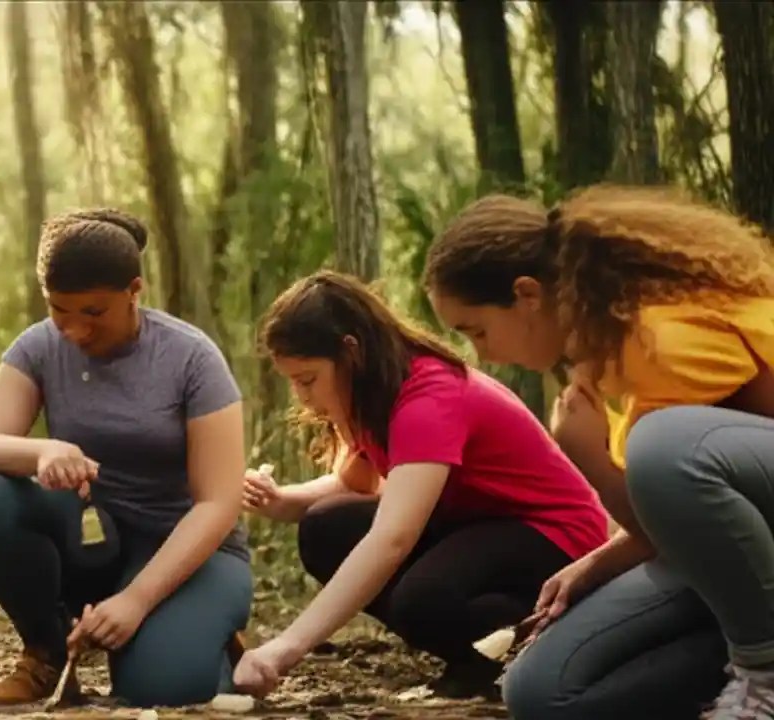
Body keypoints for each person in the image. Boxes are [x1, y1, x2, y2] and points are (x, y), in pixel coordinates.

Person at [423, 185, 774, 719]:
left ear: (527, 295)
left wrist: (590, 459)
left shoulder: (656, 338)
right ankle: (737, 678)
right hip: (747, 557)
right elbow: (690, 521)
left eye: (478, 331)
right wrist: (595, 564)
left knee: (663, 446)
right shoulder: (608, 353)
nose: (483, 355)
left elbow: (681, 478)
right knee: (540, 691)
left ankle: (763, 676)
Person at [232, 271, 608, 701]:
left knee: (422, 599)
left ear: (351, 352)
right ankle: (471, 647)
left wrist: (284, 648)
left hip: (554, 534)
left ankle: (538, 643)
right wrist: (282, 500)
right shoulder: (372, 394)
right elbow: (355, 484)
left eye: (308, 379)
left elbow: (394, 537)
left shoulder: (427, 397)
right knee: (326, 527)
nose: (301, 396)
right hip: (478, 525)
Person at [0, 208, 251, 708]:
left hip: (186, 549)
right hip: (95, 539)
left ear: (135, 290)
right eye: (59, 310)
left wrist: (136, 600)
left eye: (93, 313)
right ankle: (46, 650)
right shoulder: (38, 347)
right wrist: (44, 449)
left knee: (160, 689)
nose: (74, 329)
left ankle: (208, 638)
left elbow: (218, 504)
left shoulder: (191, 358)